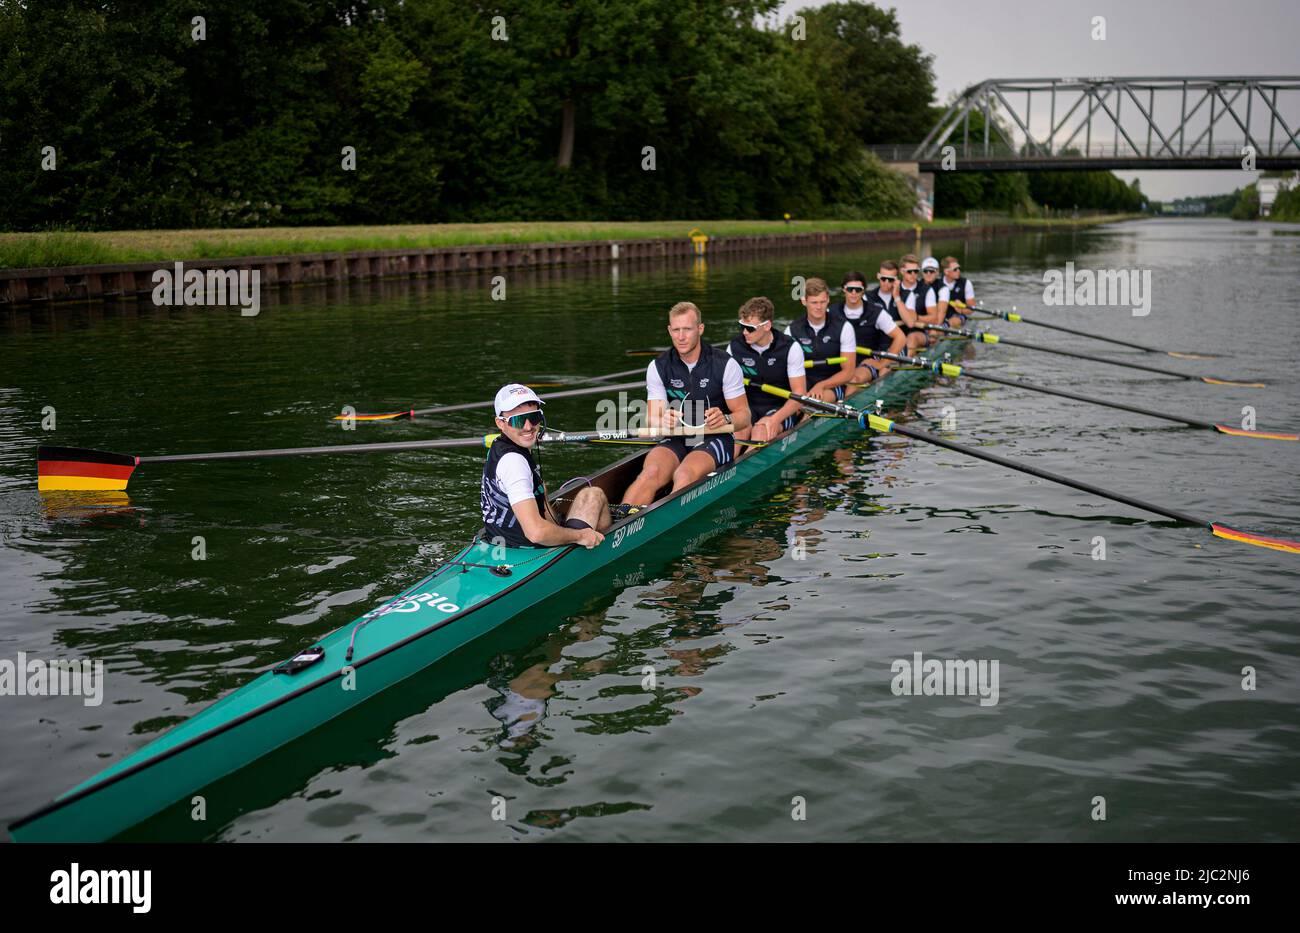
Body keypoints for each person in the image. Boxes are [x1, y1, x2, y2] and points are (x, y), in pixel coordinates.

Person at [621, 302, 751, 506]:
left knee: (684, 473)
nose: (681, 337)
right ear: (669, 330)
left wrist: (725, 418)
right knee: (650, 473)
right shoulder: (658, 366)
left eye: (687, 329)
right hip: (675, 436)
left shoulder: (725, 364)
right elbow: (652, 418)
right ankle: (621, 526)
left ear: (700, 329)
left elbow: (744, 416)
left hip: (714, 435)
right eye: (676, 330)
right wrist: (661, 419)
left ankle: (664, 522)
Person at [481, 383, 608, 548]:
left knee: (546, 489)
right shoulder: (514, 462)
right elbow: (536, 533)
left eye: (533, 418)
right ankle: (602, 547)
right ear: (500, 423)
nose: (528, 427)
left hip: (500, 544)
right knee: (594, 495)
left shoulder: (497, 449)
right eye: (518, 421)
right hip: (532, 549)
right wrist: (581, 536)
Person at [727, 296, 807, 443]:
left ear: (767, 326)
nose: (744, 332)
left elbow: (799, 395)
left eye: (750, 328)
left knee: (761, 430)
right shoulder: (734, 347)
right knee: (738, 432)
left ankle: (747, 463)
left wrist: (774, 420)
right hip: (747, 406)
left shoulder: (790, 347)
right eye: (742, 326)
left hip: (780, 406)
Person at [785, 277, 855, 402]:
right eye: (814, 302)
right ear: (804, 301)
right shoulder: (792, 330)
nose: (819, 307)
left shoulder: (844, 327)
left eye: (822, 302)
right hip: (802, 382)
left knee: (811, 404)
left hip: (833, 383)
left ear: (828, 299)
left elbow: (848, 372)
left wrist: (821, 385)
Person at [838, 265, 906, 385]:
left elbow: (900, 337)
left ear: (863, 290)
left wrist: (882, 363)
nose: (853, 293)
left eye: (858, 289)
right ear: (843, 289)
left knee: (852, 380)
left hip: (867, 360)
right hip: (843, 359)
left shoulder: (876, 313)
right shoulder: (832, 312)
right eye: (850, 289)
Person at [896, 254, 940, 351]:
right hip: (897, 331)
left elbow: (934, 318)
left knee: (912, 338)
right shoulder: (895, 289)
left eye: (916, 271)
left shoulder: (926, 290)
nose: (913, 274)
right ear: (901, 271)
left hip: (919, 332)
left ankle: (905, 363)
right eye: (909, 271)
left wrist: (915, 318)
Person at [918, 256, 947, 345]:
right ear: (922, 273)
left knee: (934, 335)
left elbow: (941, 312)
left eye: (932, 271)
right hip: (920, 321)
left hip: (938, 321)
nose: (929, 273)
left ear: (937, 272)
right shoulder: (917, 286)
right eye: (926, 271)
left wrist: (935, 329)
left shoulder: (943, 288)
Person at [940, 256, 976, 325]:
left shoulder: (966, 283)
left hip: (959, 316)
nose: (958, 271)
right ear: (946, 271)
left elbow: (972, 309)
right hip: (942, 314)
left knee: (955, 320)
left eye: (959, 268)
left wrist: (961, 310)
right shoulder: (938, 284)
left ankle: (946, 327)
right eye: (955, 269)